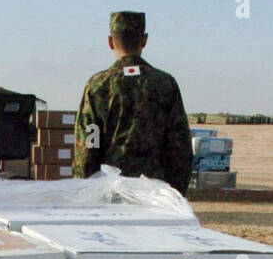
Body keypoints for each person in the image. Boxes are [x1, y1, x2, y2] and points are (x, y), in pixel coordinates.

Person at [73, 11, 193, 193]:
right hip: (154, 194)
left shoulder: (97, 86)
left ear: (110, 42)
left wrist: (84, 191)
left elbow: (89, 144)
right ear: (144, 40)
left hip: (109, 192)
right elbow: (179, 147)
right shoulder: (165, 84)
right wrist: (175, 195)